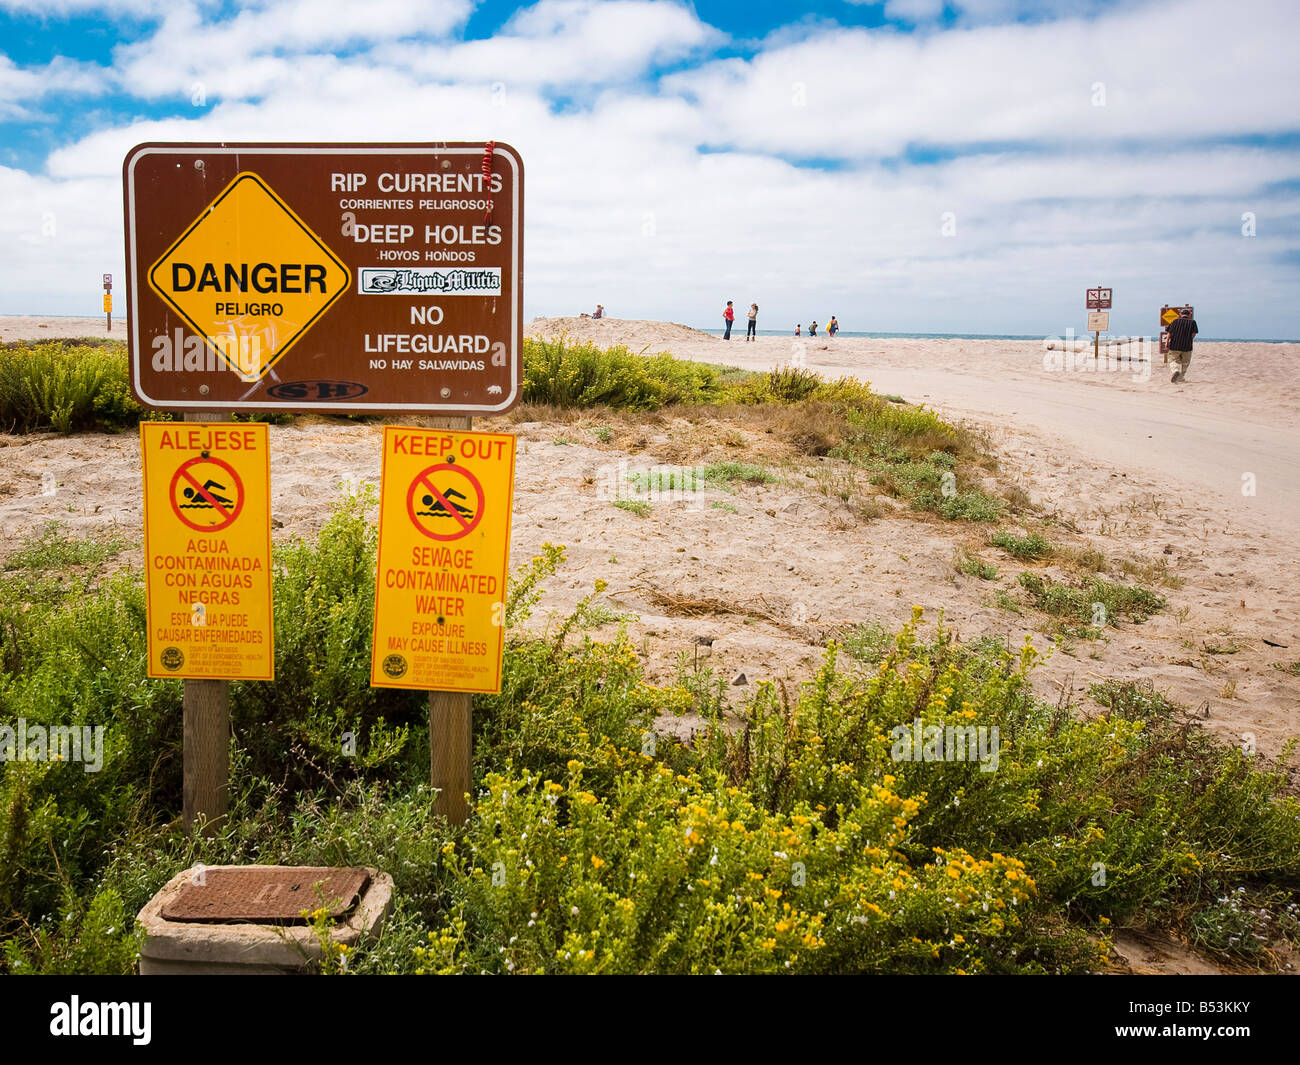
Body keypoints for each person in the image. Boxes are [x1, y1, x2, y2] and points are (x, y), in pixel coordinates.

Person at [1167, 308, 1197, 382]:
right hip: (1187, 346)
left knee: (1173, 360)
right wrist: (1189, 340)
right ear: (1189, 315)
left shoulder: (1175, 321)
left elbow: (1169, 333)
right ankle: (1180, 377)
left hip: (1174, 345)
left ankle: (1175, 371)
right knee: (1185, 363)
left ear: (1180, 314)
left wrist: (1167, 341)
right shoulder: (1192, 322)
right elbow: (1193, 334)